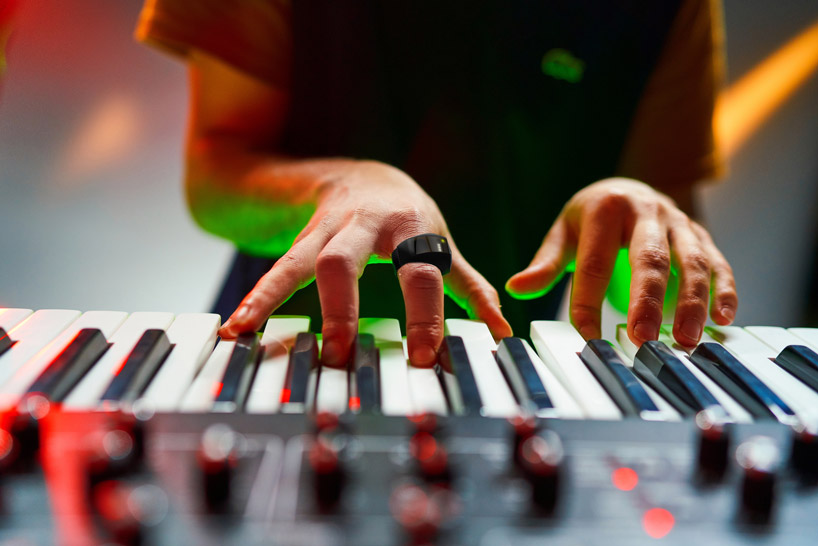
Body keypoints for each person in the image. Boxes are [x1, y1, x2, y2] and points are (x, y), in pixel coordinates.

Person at [135, 0, 737, 368]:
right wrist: (346, 183)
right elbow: (214, 172)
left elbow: (658, 291)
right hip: (274, 362)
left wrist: (634, 218)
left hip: (508, 385)